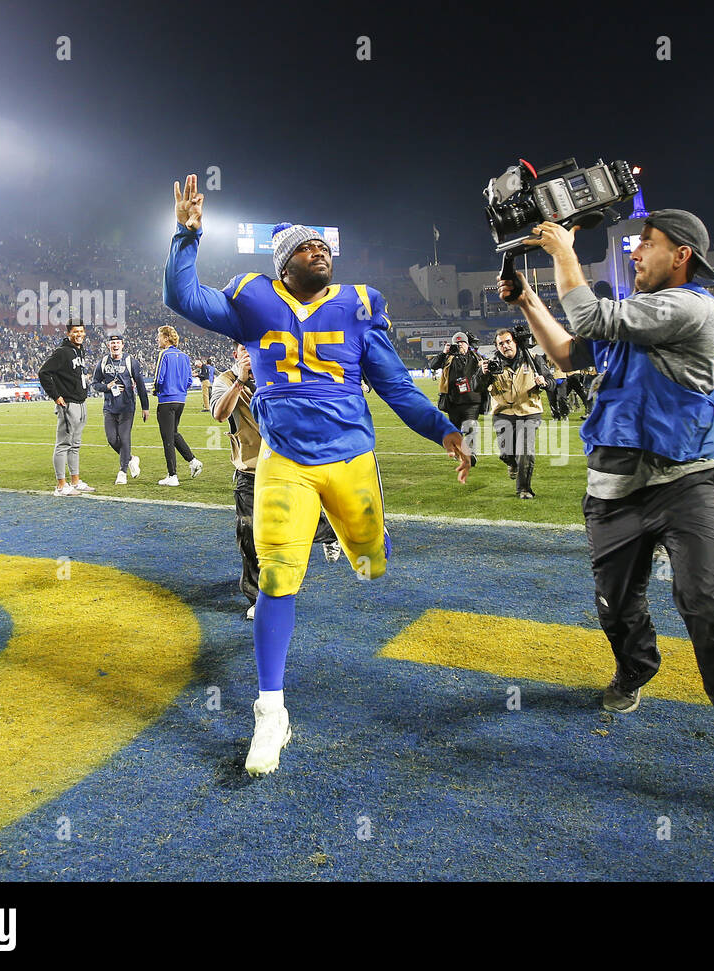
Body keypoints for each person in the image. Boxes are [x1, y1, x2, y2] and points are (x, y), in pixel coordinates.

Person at [501, 209, 714, 830]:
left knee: (712, 605)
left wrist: (562, 251)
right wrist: (526, 301)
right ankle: (635, 666)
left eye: (645, 244)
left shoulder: (692, 307)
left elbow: (591, 316)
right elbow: (570, 352)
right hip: (612, 485)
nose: (634, 254)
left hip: (684, 480)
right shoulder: (645, 315)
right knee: (615, 604)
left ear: (680, 254)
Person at [163, 173, 470, 777]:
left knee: (371, 563)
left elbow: (396, 387)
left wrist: (445, 430)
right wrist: (187, 233)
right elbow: (184, 298)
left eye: (322, 246)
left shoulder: (357, 305)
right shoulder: (253, 301)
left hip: (351, 457)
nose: (318, 252)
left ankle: (356, 532)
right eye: (305, 248)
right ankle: (270, 710)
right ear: (283, 264)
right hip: (284, 462)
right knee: (277, 577)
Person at [212, 341, 344, 620]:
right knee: (248, 534)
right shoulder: (224, 380)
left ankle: (331, 531)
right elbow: (220, 414)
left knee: (293, 525)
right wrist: (240, 382)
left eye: (253, 349)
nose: (248, 354)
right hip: (249, 471)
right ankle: (258, 597)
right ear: (235, 354)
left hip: (285, 467)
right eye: (243, 349)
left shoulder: (278, 374)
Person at [483, 329, 547, 498]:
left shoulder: (533, 359)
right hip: (503, 413)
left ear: (515, 342)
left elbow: (552, 382)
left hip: (529, 411)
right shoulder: (491, 364)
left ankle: (524, 489)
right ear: (497, 347)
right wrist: (481, 375)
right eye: (501, 344)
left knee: (525, 451)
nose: (505, 346)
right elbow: (477, 387)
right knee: (506, 453)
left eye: (508, 341)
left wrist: (545, 383)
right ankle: (511, 463)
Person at [37, 320, 95, 497]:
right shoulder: (62, 352)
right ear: (69, 333)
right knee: (63, 444)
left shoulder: (78, 349)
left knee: (75, 445)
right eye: (76, 331)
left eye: (82, 331)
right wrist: (56, 396)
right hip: (68, 403)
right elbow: (44, 372)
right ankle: (61, 485)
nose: (79, 334)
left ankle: (75, 481)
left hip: (81, 402)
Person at [91, 333, 149, 484]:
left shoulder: (131, 362)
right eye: (112, 343)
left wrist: (145, 407)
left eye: (118, 343)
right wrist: (107, 387)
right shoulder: (103, 362)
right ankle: (130, 459)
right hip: (109, 407)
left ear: (123, 345)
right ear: (108, 345)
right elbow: (95, 383)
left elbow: (141, 385)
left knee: (124, 438)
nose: (115, 345)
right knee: (112, 439)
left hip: (127, 407)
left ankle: (122, 472)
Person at [152, 324, 202, 486]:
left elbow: (159, 378)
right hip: (181, 400)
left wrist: (155, 391)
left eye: (159, 336)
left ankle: (172, 475)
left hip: (166, 400)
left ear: (166, 338)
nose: (157, 339)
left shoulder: (164, 354)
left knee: (167, 438)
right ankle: (193, 461)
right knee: (173, 433)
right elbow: (189, 380)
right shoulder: (185, 356)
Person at [429, 332, 485, 466]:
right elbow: (433, 365)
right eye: (457, 343)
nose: (460, 345)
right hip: (453, 401)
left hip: (472, 400)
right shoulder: (448, 358)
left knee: (471, 427)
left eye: (462, 343)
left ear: (467, 344)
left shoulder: (476, 357)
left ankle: (471, 454)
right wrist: (444, 353)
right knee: (455, 430)